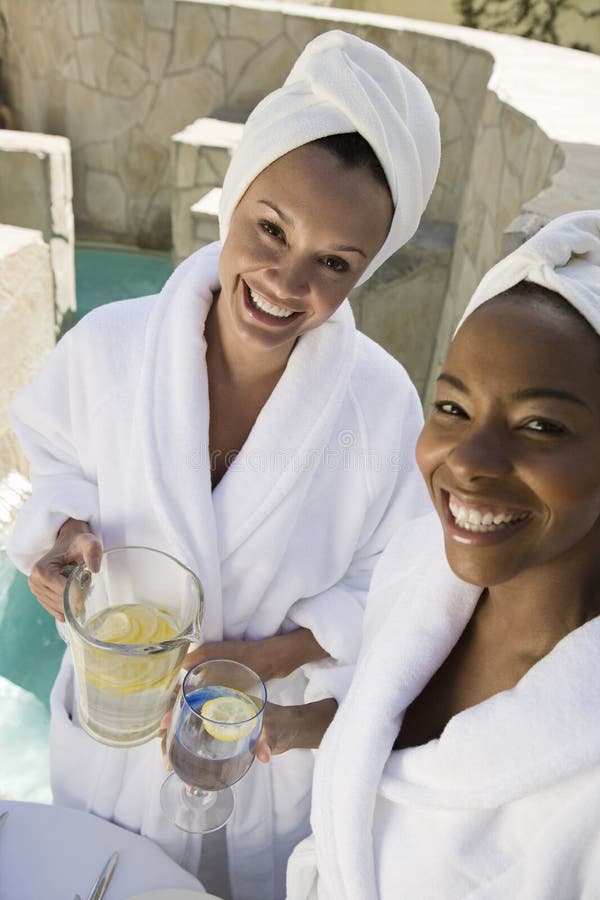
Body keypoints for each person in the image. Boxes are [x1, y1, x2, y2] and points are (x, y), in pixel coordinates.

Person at [7, 30, 440, 900]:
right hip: (114, 732)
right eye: (270, 229)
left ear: (368, 268)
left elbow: (389, 585)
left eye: (334, 263)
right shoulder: (109, 350)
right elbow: (51, 460)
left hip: (250, 753)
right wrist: (58, 538)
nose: (285, 281)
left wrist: (264, 658)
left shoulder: (381, 406)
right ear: (235, 195)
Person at [286, 209, 600, 900]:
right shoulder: (422, 562)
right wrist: (296, 724)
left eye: (541, 425)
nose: (471, 462)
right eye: (453, 408)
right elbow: (381, 730)